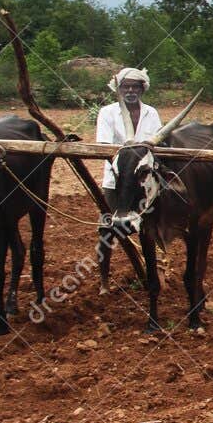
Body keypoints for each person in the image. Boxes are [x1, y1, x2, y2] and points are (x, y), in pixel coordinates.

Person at [95, 67, 161, 291]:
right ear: (119, 89)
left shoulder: (151, 113)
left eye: (135, 86)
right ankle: (104, 281)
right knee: (108, 229)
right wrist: (129, 154)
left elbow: (157, 145)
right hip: (116, 181)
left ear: (143, 89)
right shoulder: (107, 113)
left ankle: (152, 274)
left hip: (144, 183)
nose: (130, 90)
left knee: (148, 229)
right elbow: (104, 146)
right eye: (126, 86)